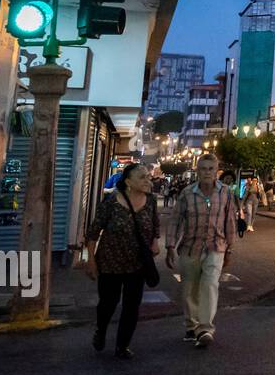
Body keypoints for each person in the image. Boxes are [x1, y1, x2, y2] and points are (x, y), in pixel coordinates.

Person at [85, 162, 160, 360]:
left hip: (137, 264)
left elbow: (155, 226)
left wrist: (155, 243)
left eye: (148, 176)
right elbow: (93, 233)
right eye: (142, 177)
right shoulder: (111, 203)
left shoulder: (151, 201)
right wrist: (90, 261)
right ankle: (101, 330)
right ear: (127, 182)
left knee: (132, 306)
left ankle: (122, 345)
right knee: (108, 303)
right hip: (110, 262)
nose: (147, 180)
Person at [167, 154, 236, 349]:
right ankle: (191, 325)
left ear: (217, 171)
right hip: (190, 247)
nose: (207, 172)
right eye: (203, 168)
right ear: (197, 170)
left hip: (216, 247)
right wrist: (170, 246)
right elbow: (175, 220)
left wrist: (230, 248)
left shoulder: (226, 193)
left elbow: (229, 221)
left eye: (210, 169)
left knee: (210, 285)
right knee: (190, 288)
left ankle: (205, 328)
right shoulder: (187, 193)